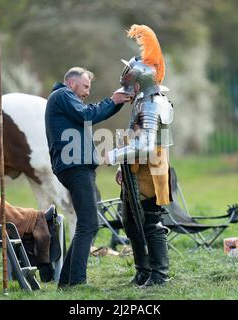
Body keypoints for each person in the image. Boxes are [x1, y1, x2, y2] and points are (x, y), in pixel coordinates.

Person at [45, 67, 131, 288]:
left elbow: (89, 114)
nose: (86, 93)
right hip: (76, 168)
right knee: (89, 224)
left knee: (88, 224)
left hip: (76, 168)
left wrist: (116, 103)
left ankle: (66, 283)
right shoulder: (62, 95)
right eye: (85, 87)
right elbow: (87, 115)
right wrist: (112, 101)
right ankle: (77, 282)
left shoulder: (64, 99)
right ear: (72, 83)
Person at [107, 24, 174, 287]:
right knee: (131, 221)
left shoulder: (153, 103)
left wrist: (115, 154)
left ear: (141, 81)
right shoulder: (141, 102)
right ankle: (143, 272)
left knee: (150, 222)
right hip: (135, 169)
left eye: (132, 83)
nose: (129, 88)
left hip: (151, 169)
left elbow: (146, 145)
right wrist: (122, 166)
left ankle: (159, 275)